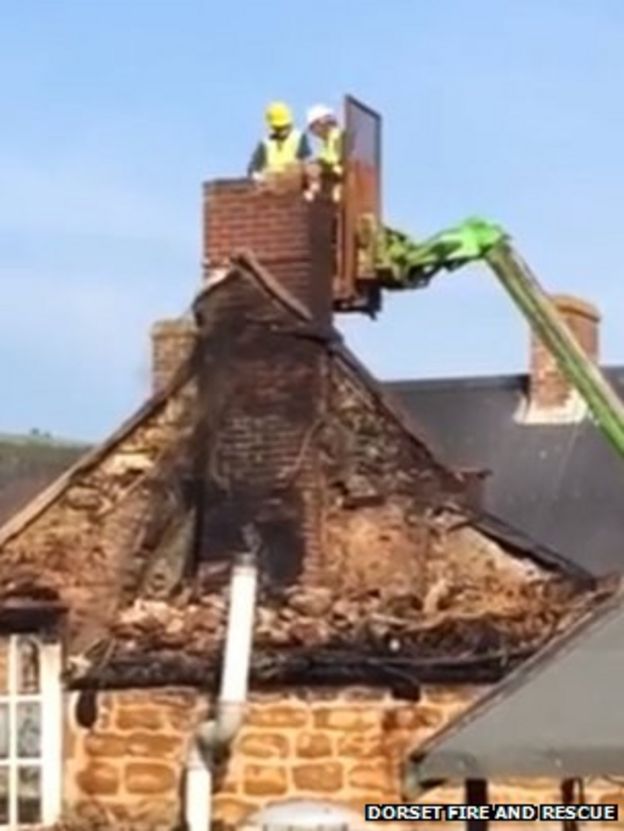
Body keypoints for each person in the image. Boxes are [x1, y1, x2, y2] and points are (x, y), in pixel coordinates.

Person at [247, 102, 311, 181]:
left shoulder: (298, 137)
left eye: (285, 126)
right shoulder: (265, 143)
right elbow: (253, 168)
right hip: (273, 184)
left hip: (295, 181)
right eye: (278, 128)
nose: (282, 131)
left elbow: (305, 161)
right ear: (271, 126)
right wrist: (260, 178)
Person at [306, 104, 344, 178]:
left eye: (313, 127)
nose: (313, 132)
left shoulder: (338, 136)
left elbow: (339, 164)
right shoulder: (325, 143)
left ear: (321, 122)